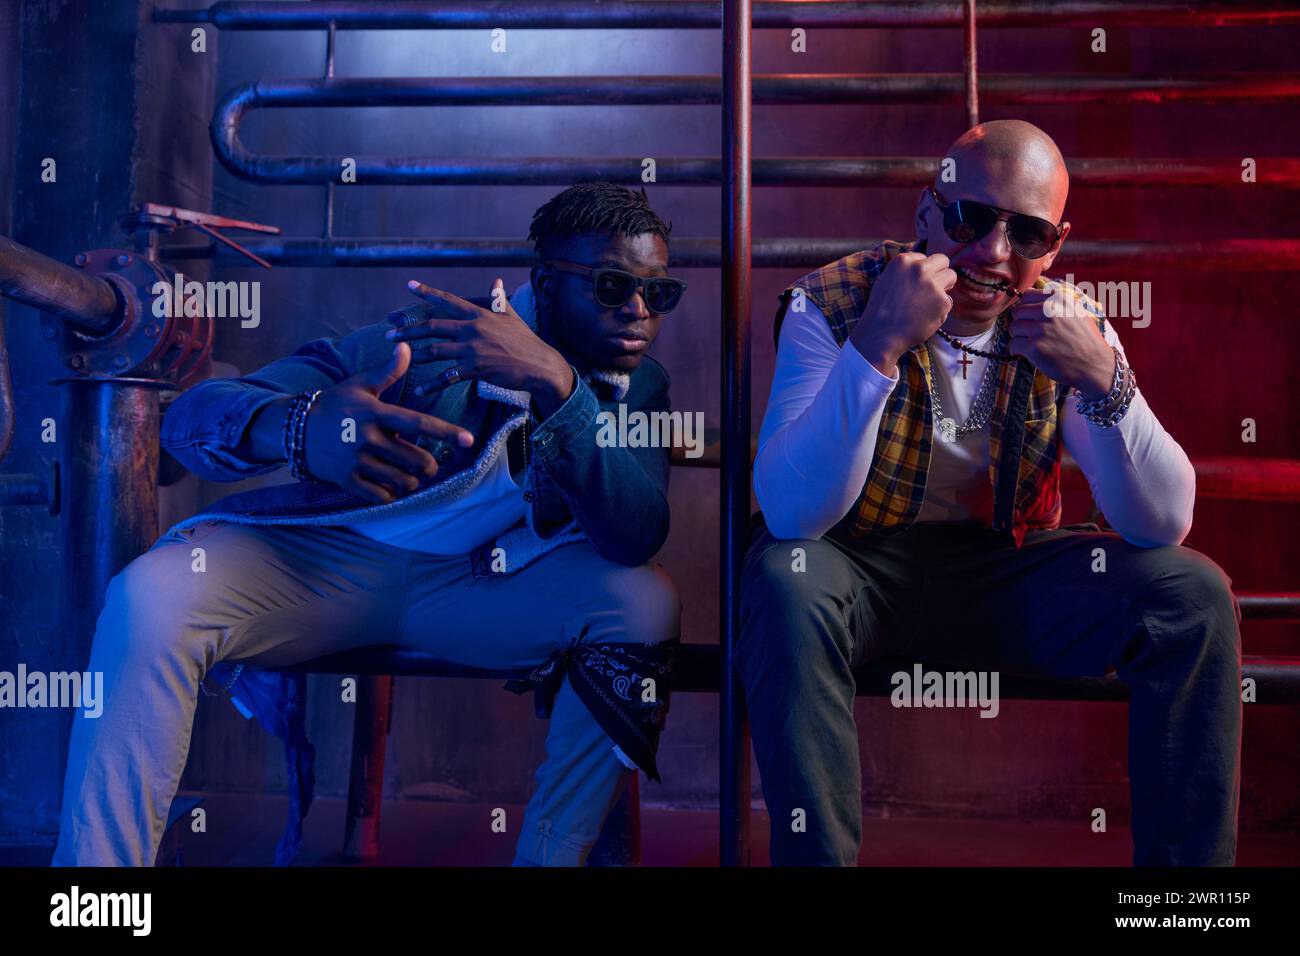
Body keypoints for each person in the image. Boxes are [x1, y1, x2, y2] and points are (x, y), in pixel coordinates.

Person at [53, 182, 687, 867]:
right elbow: (189, 421)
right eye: (612, 285)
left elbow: (635, 533)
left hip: (481, 588)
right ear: (543, 283)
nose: (638, 312)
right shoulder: (433, 337)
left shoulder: (637, 384)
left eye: (659, 294)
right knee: (150, 598)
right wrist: (302, 427)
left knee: (643, 602)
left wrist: (556, 387)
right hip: (329, 565)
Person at [739, 120, 1241, 866]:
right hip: (859, 571)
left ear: (1056, 244)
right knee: (786, 576)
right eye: (971, 219)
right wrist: (877, 343)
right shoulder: (835, 302)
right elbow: (792, 513)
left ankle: (1184, 905)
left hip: (1005, 575)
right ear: (926, 208)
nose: (992, 253)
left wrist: (1104, 378)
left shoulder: (1071, 327)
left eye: (1028, 233)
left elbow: (1162, 520)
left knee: (1192, 592)